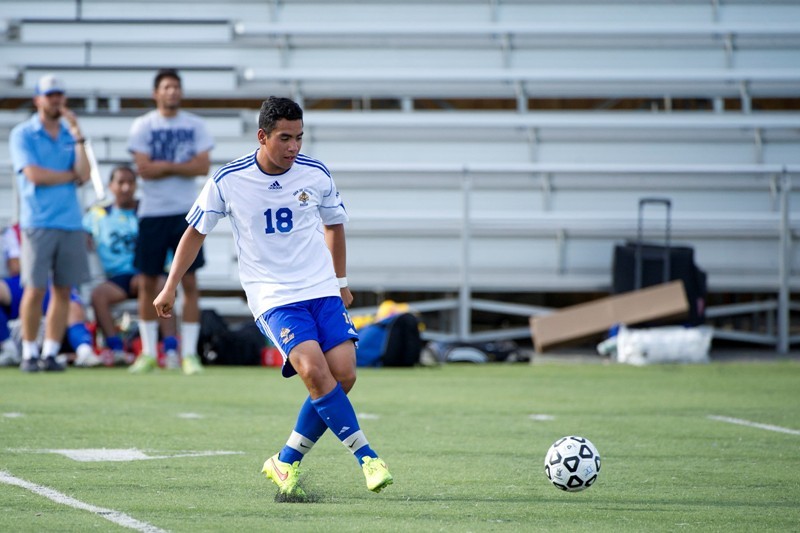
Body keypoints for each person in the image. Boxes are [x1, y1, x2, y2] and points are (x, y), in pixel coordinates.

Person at [153, 96, 393, 497]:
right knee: (315, 373)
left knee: (344, 373)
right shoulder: (228, 180)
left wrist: (340, 280)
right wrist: (170, 284)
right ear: (262, 136)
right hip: (273, 296)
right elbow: (194, 233)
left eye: (299, 137)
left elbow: (334, 224)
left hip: (320, 288)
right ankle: (367, 457)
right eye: (285, 138)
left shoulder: (315, 173)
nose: (294, 147)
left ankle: (285, 462)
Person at [127, 68, 213, 375]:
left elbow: (202, 166)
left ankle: (189, 354)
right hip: (152, 212)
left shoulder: (195, 124)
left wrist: (162, 165)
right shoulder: (143, 125)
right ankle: (149, 353)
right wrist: (181, 166)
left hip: (186, 212)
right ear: (156, 93)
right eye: (166, 87)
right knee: (147, 283)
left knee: (189, 282)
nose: (172, 92)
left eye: (176, 87)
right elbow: (143, 168)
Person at [8, 74, 93, 372]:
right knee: (34, 288)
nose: (56, 99)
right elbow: (34, 175)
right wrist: (70, 177)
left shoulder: (71, 135)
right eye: (50, 94)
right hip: (37, 222)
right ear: (38, 99)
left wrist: (79, 134)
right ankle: (29, 352)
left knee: (63, 290)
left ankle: (50, 351)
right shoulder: (23, 133)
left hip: (70, 221)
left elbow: (84, 174)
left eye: (59, 94)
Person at [83, 165, 178, 366]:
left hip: (148, 271)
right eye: (121, 182)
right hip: (119, 278)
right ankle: (116, 349)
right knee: (98, 296)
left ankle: (171, 349)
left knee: (158, 286)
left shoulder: (147, 212)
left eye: (130, 182)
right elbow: (80, 235)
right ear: (111, 186)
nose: (126, 187)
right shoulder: (98, 214)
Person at [0, 224, 100, 368]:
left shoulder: (68, 226)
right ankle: (10, 349)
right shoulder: (13, 229)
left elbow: (16, 264)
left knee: (71, 303)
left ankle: (84, 351)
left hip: (48, 281)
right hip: (16, 284)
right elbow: (15, 267)